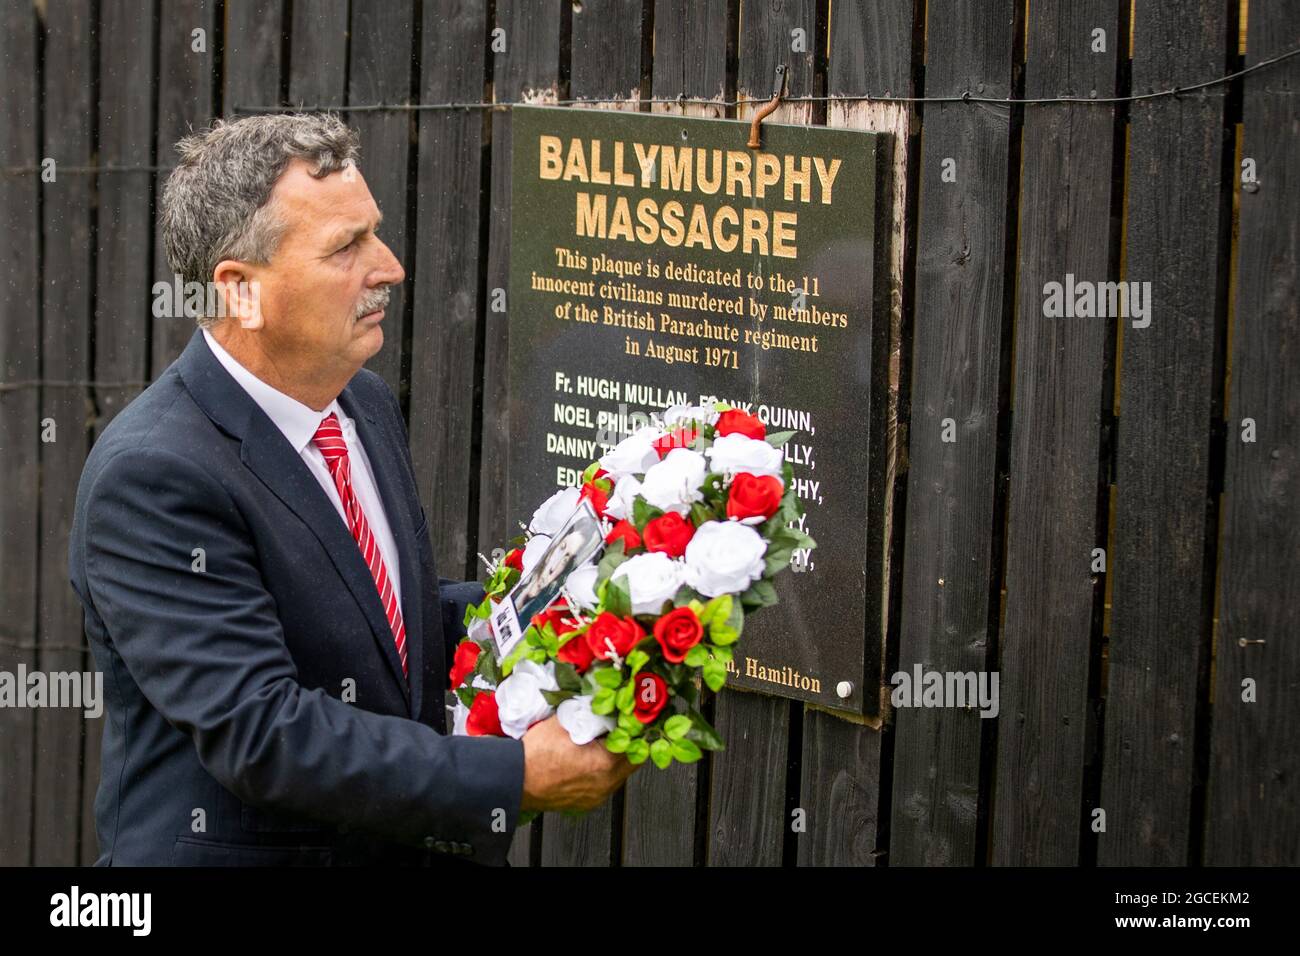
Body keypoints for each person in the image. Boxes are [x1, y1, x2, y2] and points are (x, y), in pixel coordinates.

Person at [67, 113, 637, 867]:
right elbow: (266, 735)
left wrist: (571, 600)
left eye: (374, 233)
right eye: (346, 247)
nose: (391, 267)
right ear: (240, 293)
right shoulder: (153, 475)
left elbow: (377, 623)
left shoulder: (360, 404)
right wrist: (515, 776)